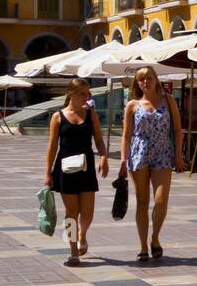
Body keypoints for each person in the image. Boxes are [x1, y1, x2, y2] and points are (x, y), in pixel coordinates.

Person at [120, 67, 184, 261]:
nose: (145, 82)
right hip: (139, 154)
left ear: (156, 80)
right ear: (137, 83)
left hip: (163, 152)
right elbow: (126, 136)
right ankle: (142, 246)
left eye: (148, 78)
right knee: (142, 201)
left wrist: (178, 155)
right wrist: (123, 160)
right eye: (141, 80)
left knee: (160, 200)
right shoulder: (132, 104)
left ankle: (154, 238)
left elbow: (178, 129)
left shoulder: (168, 100)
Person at [43, 78, 109, 266]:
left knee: (87, 211)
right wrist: (47, 173)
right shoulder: (58, 117)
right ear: (71, 94)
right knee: (71, 211)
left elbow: (98, 138)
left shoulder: (91, 114)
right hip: (65, 170)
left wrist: (103, 157)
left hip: (86, 168)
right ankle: (73, 251)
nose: (86, 97)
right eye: (83, 93)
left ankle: (82, 234)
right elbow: (52, 146)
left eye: (88, 93)